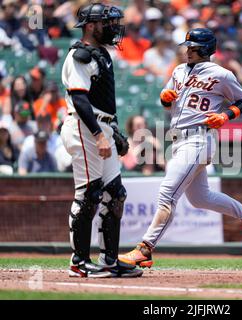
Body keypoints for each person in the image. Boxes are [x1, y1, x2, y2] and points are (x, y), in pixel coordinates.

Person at [119, 28, 242, 268]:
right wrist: (165, 98)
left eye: (193, 47)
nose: (188, 51)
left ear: (206, 49)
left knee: (167, 193)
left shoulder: (222, 74)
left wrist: (226, 115)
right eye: (187, 47)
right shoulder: (178, 70)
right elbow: (167, 103)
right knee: (200, 198)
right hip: (178, 139)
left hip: (199, 139)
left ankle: (145, 249)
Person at [60, 3, 142, 278]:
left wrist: (114, 132)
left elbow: (104, 101)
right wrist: (98, 134)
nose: (113, 28)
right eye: (107, 23)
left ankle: (109, 260)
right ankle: (78, 262)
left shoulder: (102, 54)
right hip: (84, 128)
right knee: (88, 195)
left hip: (101, 127)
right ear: (91, 25)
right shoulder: (79, 55)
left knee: (116, 193)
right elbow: (80, 99)